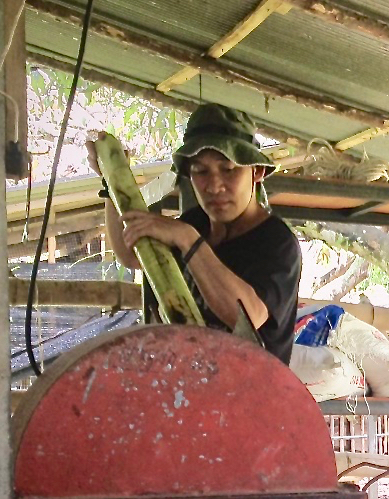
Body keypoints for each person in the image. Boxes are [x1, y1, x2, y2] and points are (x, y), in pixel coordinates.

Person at [91, 103, 301, 363]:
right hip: (191, 387)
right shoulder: (195, 222)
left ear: (256, 172)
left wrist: (188, 240)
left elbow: (247, 317)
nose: (214, 186)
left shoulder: (275, 241)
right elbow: (132, 255)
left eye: (229, 169)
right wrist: (111, 183)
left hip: (250, 396)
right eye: (201, 171)